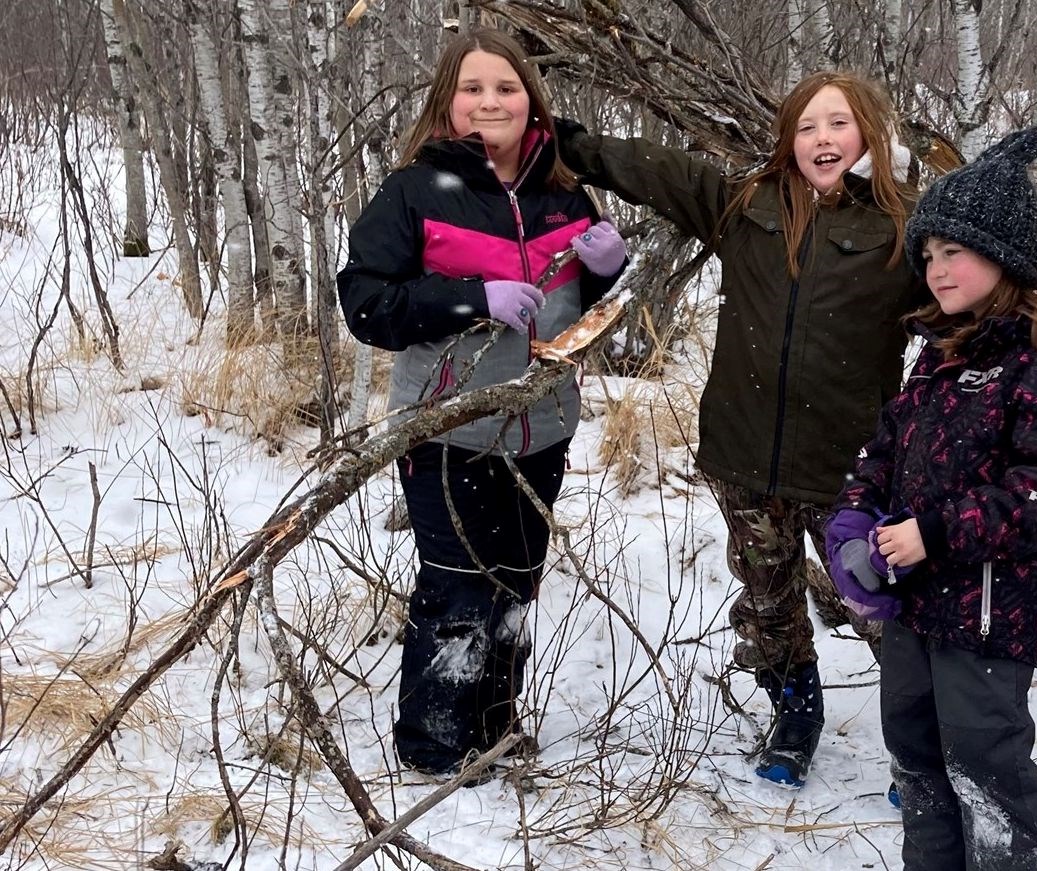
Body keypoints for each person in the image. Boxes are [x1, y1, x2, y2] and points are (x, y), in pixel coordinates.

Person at [554, 71, 922, 788]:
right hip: (744, 454)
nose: (822, 138)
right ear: (789, 139)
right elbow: (658, 170)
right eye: (808, 125)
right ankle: (795, 711)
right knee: (766, 597)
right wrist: (572, 145)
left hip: (851, 467)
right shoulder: (748, 206)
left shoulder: (904, 228)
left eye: (839, 124)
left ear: (870, 135)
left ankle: (918, 753)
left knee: (882, 609)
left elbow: (975, 293)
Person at [336, 27, 628, 779]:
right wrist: (472, 298)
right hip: (448, 430)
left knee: (517, 581)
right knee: (457, 588)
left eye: (506, 86)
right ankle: (435, 749)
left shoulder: (561, 186)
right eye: (473, 88)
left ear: (531, 98)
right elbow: (366, 302)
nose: (490, 101)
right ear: (448, 101)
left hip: (544, 425)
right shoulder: (413, 191)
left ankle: (495, 730)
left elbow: (577, 302)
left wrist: (605, 270)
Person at [825, 128, 1037, 870]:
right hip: (915, 612)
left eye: (954, 251)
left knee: (987, 778)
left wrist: (936, 533)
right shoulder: (940, 352)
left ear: (1005, 255)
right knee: (916, 763)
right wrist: (855, 519)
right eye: (928, 254)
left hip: (986, 622)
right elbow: (885, 448)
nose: (936, 269)